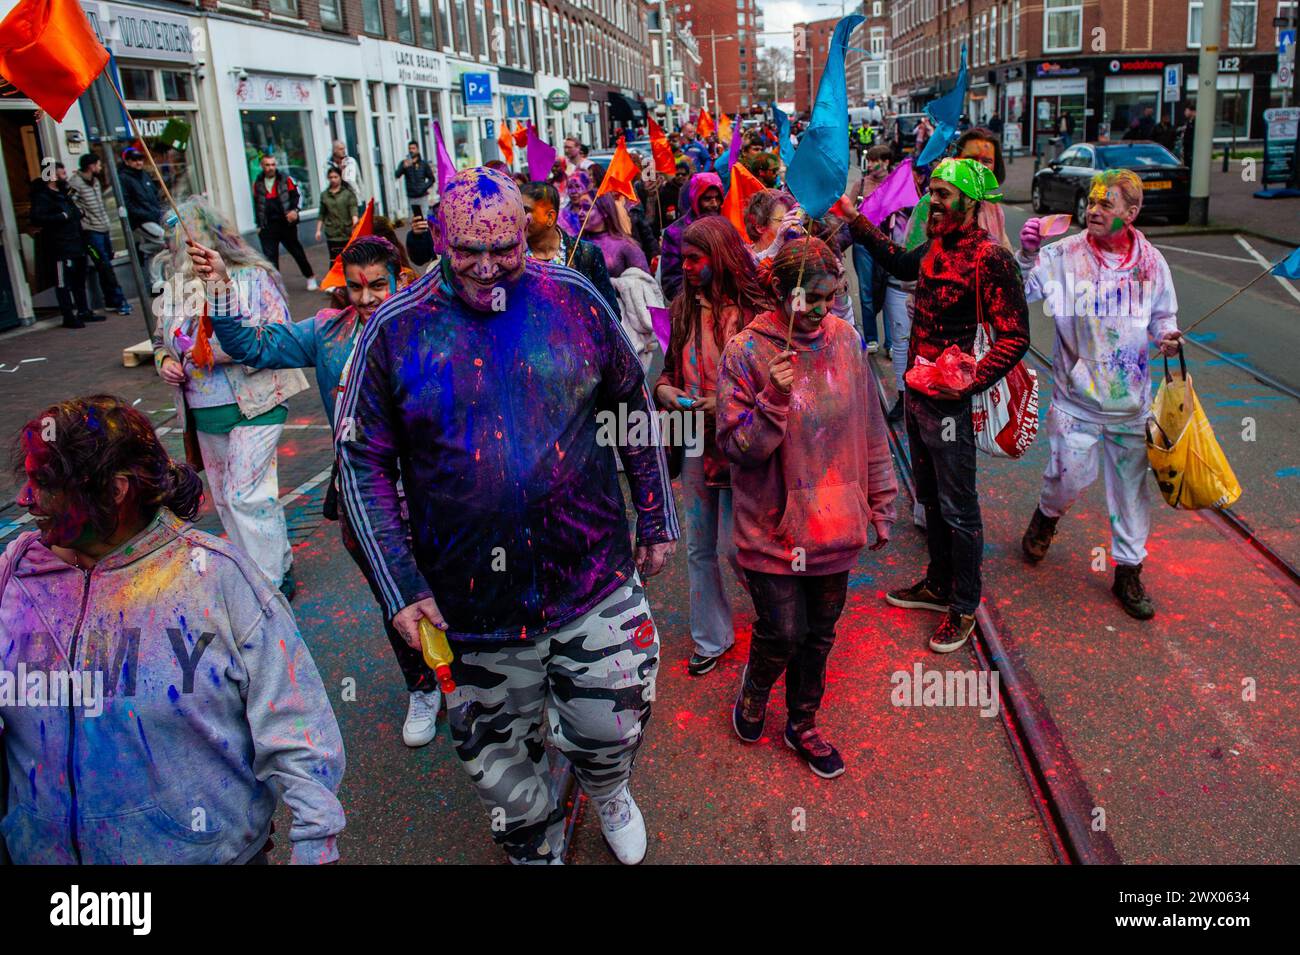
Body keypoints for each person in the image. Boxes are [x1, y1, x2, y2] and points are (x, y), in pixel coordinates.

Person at [335, 167, 678, 865]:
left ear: (528, 232)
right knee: (499, 763)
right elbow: (360, 462)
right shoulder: (394, 331)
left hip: (592, 576)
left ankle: (608, 788)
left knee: (612, 721)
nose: (487, 266)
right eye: (467, 250)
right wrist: (400, 584)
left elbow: (629, 402)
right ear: (437, 238)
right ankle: (532, 841)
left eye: (504, 249)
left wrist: (656, 512)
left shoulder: (574, 296)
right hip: (470, 605)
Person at [2, 395, 345, 864]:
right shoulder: (14, 573)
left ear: (116, 489)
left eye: (45, 483)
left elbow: (298, 731)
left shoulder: (216, 579)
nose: (27, 499)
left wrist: (315, 846)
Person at [191, 234, 444, 743]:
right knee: (393, 596)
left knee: (455, 590)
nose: (367, 297)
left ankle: (478, 683)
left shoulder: (430, 326)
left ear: (401, 279)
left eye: (377, 285)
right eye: (356, 287)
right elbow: (251, 346)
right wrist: (219, 288)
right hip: (366, 501)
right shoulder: (329, 332)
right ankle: (423, 686)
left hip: (438, 493)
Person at [716, 237, 897, 778]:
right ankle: (754, 690)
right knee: (782, 631)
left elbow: (870, 429)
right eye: (811, 299)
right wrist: (772, 397)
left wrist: (881, 501)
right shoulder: (746, 352)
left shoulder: (846, 340)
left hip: (836, 526)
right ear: (780, 292)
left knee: (820, 631)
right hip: (771, 528)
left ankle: (802, 722)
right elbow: (736, 451)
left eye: (832, 296)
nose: (823, 310)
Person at [835, 157, 1030, 654]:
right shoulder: (937, 247)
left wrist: (967, 383)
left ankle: (964, 604)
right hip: (919, 398)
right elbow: (900, 263)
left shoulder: (991, 258)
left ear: (969, 202)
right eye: (932, 192)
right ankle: (938, 584)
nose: (933, 201)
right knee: (930, 499)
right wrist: (853, 219)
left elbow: (1015, 337)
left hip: (951, 407)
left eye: (943, 194)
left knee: (958, 507)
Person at [1017, 170, 1182, 619]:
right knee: (1068, 477)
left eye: (1106, 204)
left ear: (1131, 213)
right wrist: (1028, 255)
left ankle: (1128, 571)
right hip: (1077, 402)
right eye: (1091, 201)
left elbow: (1163, 315)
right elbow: (1021, 291)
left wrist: (1167, 335)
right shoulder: (1064, 255)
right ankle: (1047, 516)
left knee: (1130, 493)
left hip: (1131, 405)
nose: (1092, 210)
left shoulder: (1151, 262)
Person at [152, 197, 309, 598]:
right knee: (225, 499)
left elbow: (278, 333)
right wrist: (163, 360)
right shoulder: (175, 286)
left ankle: (269, 581)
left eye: (186, 238)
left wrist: (218, 349)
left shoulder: (253, 276)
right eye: (174, 240)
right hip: (204, 412)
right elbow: (161, 339)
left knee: (246, 495)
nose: (179, 248)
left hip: (257, 403)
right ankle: (265, 565)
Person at [655, 216, 770, 675]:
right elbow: (666, 374)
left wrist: (722, 403)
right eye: (682, 257)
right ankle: (711, 637)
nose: (683, 267)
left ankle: (779, 616)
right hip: (696, 444)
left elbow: (774, 385)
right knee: (699, 547)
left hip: (743, 447)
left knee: (737, 548)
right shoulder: (683, 307)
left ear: (718, 257)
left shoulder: (753, 313)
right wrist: (667, 394)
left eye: (693, 258)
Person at [519, 181, 621, 318]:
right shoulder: (514, 257)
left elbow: (611, 314)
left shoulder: (587, 254)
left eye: (525, 211)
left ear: (550, 217)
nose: (517, 217)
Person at [29, 164, 105, 329]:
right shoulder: (43, 197)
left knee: (79, 280)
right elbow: (37, 218)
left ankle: (84, 311)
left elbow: (75, 212)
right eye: (62, 173)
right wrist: (61, 216)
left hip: (77, 242)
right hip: (60, 247)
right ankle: (68, 315)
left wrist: (78, 213)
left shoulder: (65, 194)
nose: (65, 176)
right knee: (63, 282)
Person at [67, 153, 130, 316]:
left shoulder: (95, 181)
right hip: (91, 231)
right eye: (98, 164)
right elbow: (69, 204)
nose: (100, 167)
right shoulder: (75, 183)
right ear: (91, 166)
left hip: (103, 228)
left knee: (106, 265)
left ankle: (110, 301)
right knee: (104, 266)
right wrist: (82, 216)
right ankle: (118, 301)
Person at [851, 144, 895, 352]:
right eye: (868, 161)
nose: (870, 165)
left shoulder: (896, 185)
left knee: (888, 293)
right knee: (866, 292)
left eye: (874, 161)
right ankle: (871, 339)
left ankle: (891, 343)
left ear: (886, 162)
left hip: (888, 245)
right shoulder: (859, 185)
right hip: (863, 246)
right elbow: (846, 214)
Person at [253, 155, 317, 290]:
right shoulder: (257, 183)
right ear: (262, 166)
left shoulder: (285, 179)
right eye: (267, 165)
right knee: (270, 258)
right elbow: (257, 205)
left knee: (297, 251)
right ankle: (276, 285)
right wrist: (258, 225)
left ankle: (310, 277)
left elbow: (298, 196)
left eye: (273, 164)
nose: (270, 168)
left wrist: (295, 211)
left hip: (286, 223)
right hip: (268, 226)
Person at [659, 172, 723, 302]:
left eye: (718, 198)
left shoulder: (726, 227)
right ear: (695, 199)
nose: (714, 204)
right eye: (707, 198)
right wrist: (700, 300)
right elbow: (670, 283)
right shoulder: (675, 232)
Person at [954, 127, 1011, 249]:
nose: (978, 167)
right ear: (956, 159)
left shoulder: (994, 209)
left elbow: (1006, 257)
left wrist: (1027, 255)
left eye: (986, 161)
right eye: (971, 159)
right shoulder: (933, 203)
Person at [583, 193, 649, 279]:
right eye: (580, 208)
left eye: (587, 208)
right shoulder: (575, 244)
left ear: (604, 211)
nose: (581, 213)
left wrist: (615, 285)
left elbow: (645, 282)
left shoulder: (626, 245)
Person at [315, 166, 360, 261]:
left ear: (340, 177)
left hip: (346, 232)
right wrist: (318, 230)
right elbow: (322, 213)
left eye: (335, 177)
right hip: (333, 234)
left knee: (350, 259)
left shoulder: (348, 194)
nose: (333, 180)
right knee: (334, 260)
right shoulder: (324, 195)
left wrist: (355, 224)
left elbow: (353, 209)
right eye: (331, 177)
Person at [118, 146, 163, 234]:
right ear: (127, 162)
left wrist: (157, 210)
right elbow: (127, 203)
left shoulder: (144, 174)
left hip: (155, 216)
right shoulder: (123, 178)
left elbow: (154, 194)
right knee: (162, 237)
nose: (138, 163)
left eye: (140, 160)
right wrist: (145, 214)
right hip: (141, 221)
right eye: (134, 160)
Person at [394, 141, 435, 216]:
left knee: (425, 218)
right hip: (411, 197)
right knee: (413, 220)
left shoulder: (423, 164)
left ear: (417, 149)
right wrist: (403, 167)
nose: (411, 150)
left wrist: (424, 187)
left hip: (422, 196)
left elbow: (432, 179)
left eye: (413, 148)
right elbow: (397, 175)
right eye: (409, 148)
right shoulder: (405, 163)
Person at [328, 139, 366, 212]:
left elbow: (358, 179)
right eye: (340, 149)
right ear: (335, 151)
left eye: (344, 148)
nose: (343, 151)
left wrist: (362, 197)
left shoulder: (351, 162)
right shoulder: (329, 166)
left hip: (354, 200)